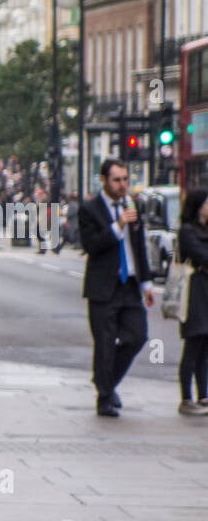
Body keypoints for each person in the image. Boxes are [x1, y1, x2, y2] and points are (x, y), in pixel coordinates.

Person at [78, 158, 155, 417]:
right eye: (117, 180)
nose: (123, 185)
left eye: (125, 179)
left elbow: (139, 246)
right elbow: (91, 245)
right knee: (105, 343)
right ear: (104, 181)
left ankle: (107, 384)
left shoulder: (132, 206)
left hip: (130, 285)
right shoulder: (90, 209)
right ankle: (105, 397)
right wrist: (117, 225)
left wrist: (147, 282)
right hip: (103, 287)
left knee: (137, 335)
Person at [175, 187, 208, 415]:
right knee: (193, 343)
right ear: (198, 207)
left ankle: (203, 395)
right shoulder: (187, 231)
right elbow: (201, 256)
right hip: (194, 291)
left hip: (205, 290)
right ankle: (186, 398)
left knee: (205, 345)